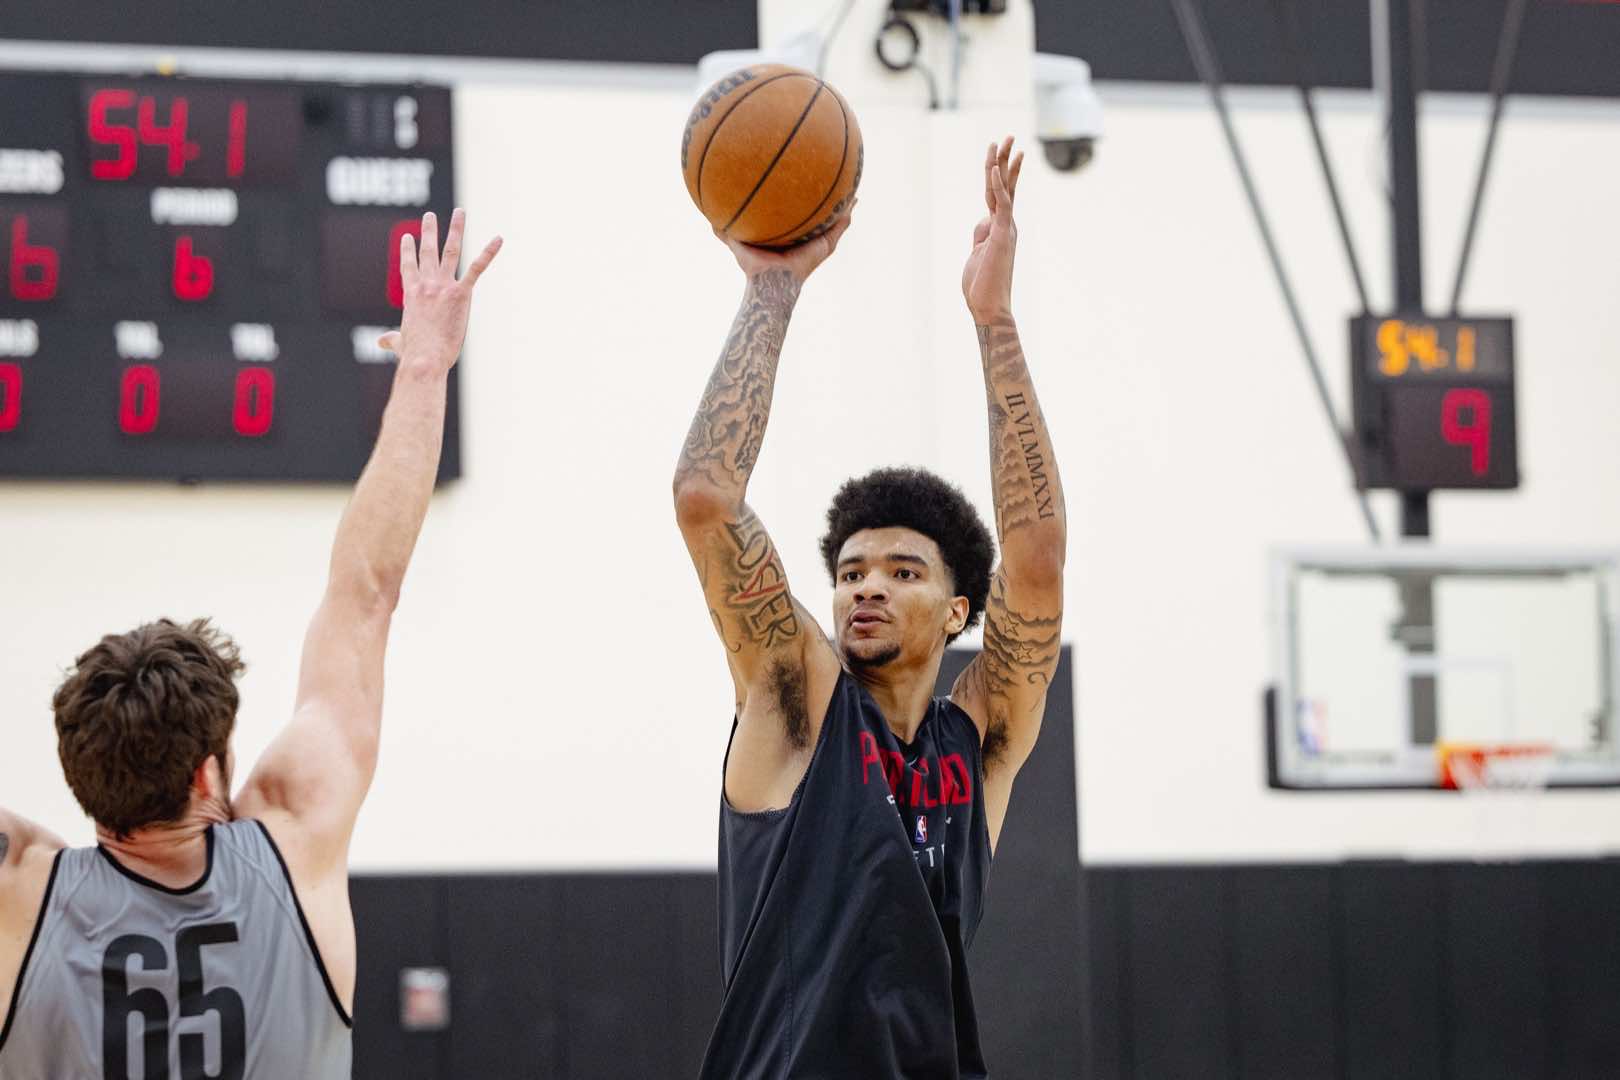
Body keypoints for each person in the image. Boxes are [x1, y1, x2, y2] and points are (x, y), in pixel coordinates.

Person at [0, 209, 499, 1078]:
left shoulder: (24, 893)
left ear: (81, 777)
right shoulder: (294, 833)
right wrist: (423, 368)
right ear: (207, 773)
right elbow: (366, 596)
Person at [675, 137, 1066, 1078]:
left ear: (956, 609)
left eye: (901, 571)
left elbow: (1038, 558)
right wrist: (773, 285)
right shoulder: (797, 708)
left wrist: (995, 323)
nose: (866, 587)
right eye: (850, 573)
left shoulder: (977, 742)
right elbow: (706, 498)